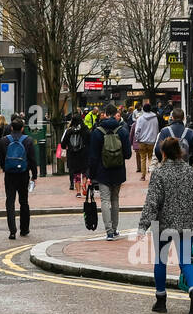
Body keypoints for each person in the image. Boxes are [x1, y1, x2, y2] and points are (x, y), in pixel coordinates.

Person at [138, 136, 193, 314]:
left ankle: (161, 301)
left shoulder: (159, 173)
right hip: (186, 224)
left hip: (163, 225)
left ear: (164, 153)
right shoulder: (190, 172)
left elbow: (152, 202)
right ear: (180, 152)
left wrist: (143, 225)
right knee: (186, 261)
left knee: (161, 261)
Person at [88, 104, 132, 240]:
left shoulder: (97, 132)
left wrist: (91, 174)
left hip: (102, 171)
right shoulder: (122, 131)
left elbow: (93, 156)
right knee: (115, 199)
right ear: (115, 114)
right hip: (118, 171)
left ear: (105, 114)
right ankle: (115, 228)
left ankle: (109, 232)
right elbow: (128, 154)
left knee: (105, 200)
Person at [0, 117, 38, 240]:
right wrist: (34, 175)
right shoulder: (28, 140)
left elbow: (0, 158)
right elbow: (32, 160)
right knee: (23, 201)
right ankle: (24, 229)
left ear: (12, 128)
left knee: (10, 201)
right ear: (23, 128)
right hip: (23, 174)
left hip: (9, 175)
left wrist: (5, 167)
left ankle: (12, 231)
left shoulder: (4, 141)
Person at [60, 113, 90, 197]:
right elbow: (90, 140)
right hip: (84, 154)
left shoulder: (69, 131)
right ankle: (84, 184)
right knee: (84, 171)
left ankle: (78, 192)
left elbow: (63, 144)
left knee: (76, 173)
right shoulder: (85, 129)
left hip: (73, 155)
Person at [132, 103, 160, 179]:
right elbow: (156, 129)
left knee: (143, 158)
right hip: (152, 141)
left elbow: (137, 131)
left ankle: (143, 176)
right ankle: (151, 174)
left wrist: (137, 139)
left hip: (142, 142)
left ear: (143, 109)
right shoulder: (155, 117)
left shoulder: (140, 118)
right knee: (151, 158)